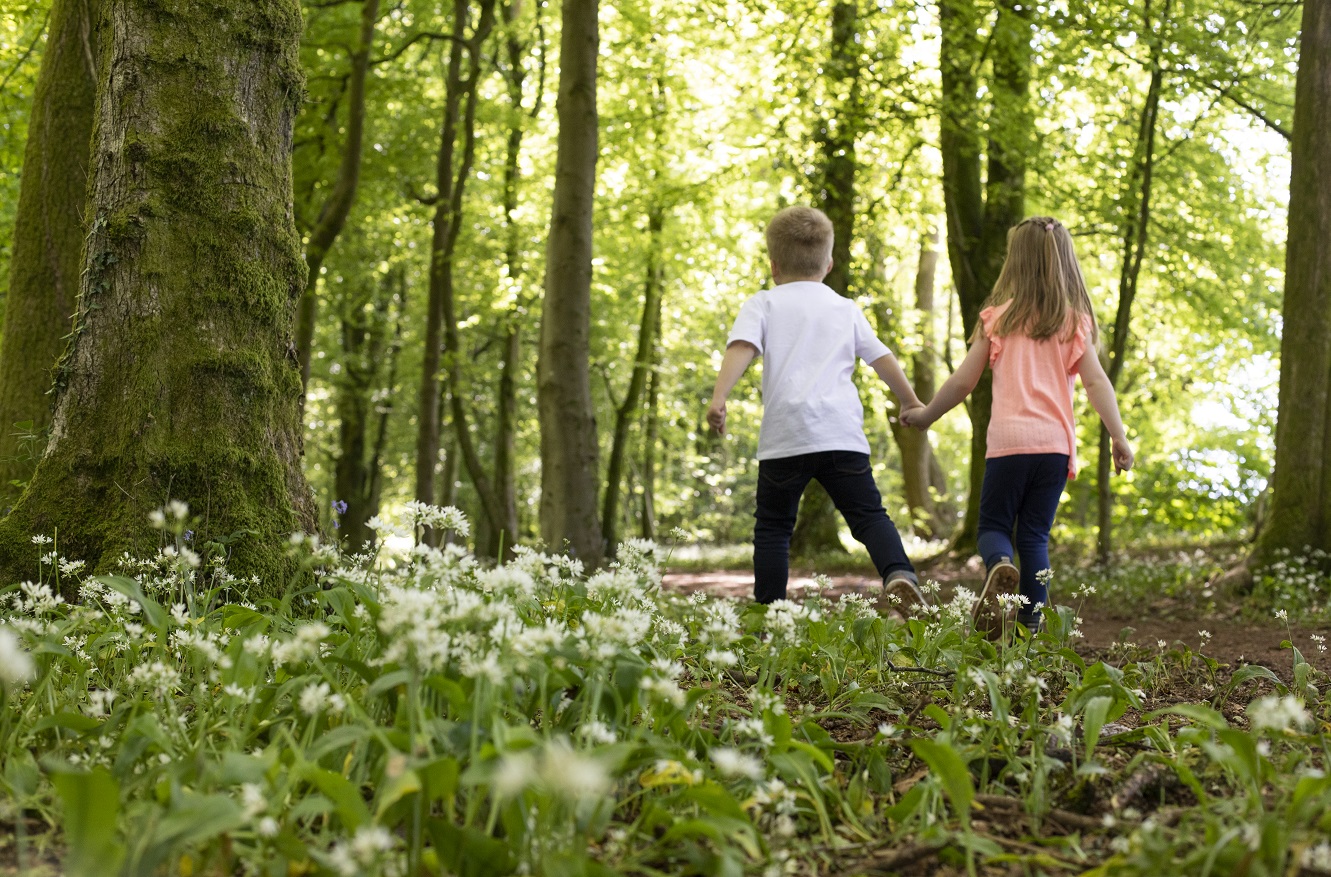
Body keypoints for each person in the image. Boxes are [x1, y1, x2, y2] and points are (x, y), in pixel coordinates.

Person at [901, 216, 1134, 635]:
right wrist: (1118, 435)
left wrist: (925, 415)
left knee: (993, 527)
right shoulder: (1073, 322)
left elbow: (963, 381)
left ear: (1015, 262)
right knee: (1034, 536)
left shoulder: (997, 320)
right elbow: (1097, 382)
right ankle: (1029, 627)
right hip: (1054, 447)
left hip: (1009, 444)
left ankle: (999, 566)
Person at [706, 205, 926, 612]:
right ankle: (899, 572)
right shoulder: (845, 308)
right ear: (828, 263)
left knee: (773, 527)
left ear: (773, 265)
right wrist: (910, 400)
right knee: (870, 516)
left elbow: (742, 348)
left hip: (785, 436)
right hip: (839, 434)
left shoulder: (764, 304)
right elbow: (882, 358)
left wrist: (719, 398)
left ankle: (771, 614)